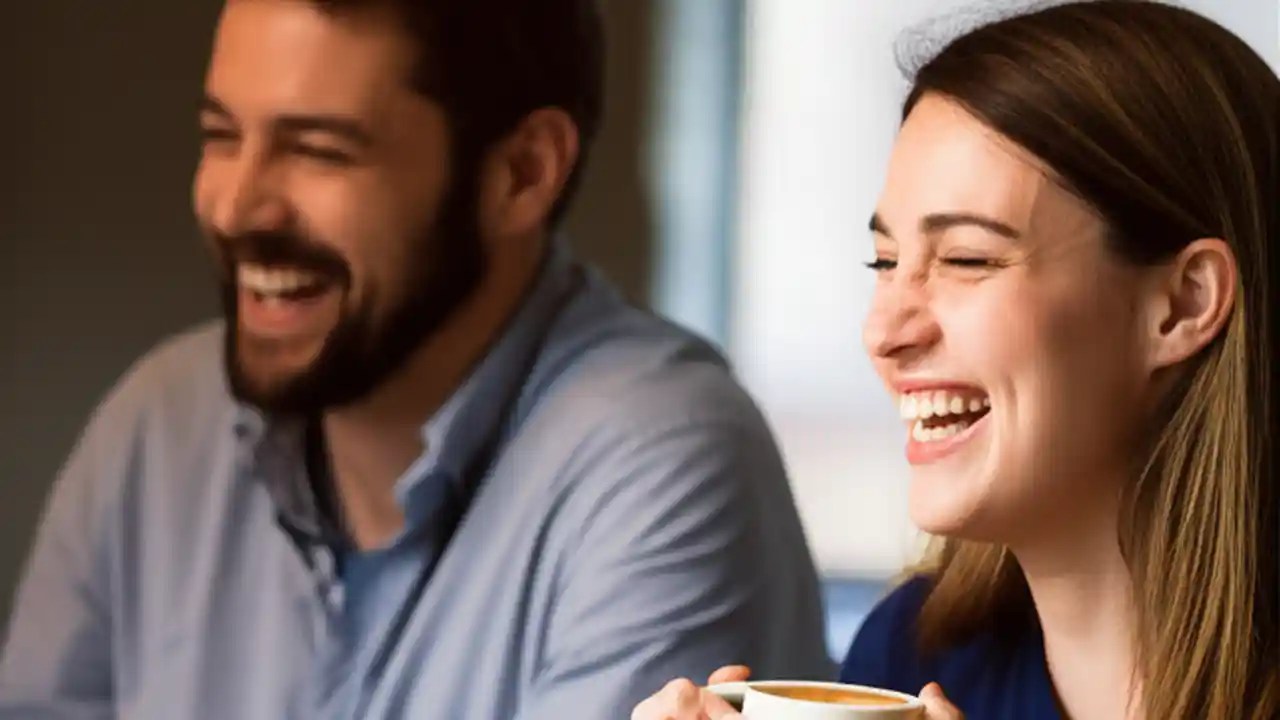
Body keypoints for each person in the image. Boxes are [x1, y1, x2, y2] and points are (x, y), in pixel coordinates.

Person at [0, 0, 832, 717]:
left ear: (522, 173)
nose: (236, 203)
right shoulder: (159, 427)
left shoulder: (663, 460)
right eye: (221, 135)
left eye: (320, 149)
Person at [632, 2, 1278, 719]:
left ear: (1184, 305)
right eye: (884, 261)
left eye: (967, 258)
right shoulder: (913, 654)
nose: (884, 331)